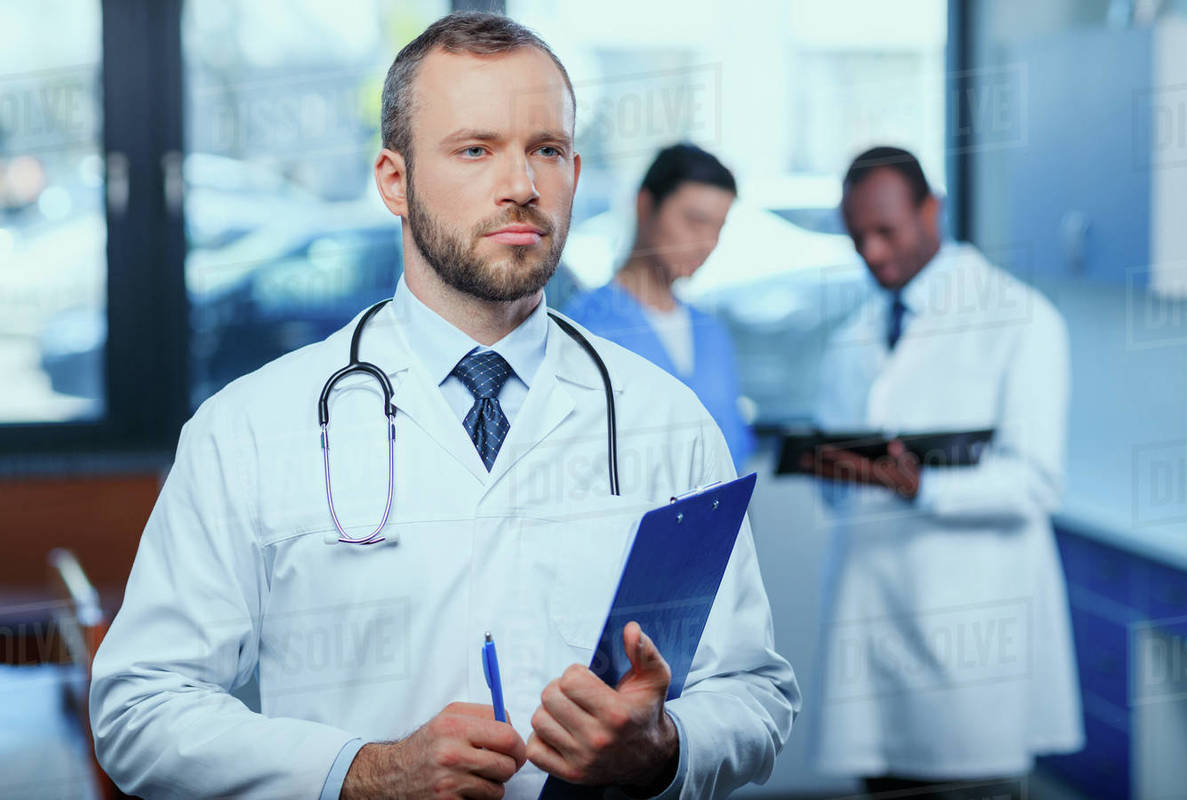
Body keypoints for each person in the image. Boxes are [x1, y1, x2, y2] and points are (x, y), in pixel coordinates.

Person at [89, 12, 799, 800]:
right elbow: (140, 707)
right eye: (475, 149)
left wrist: (666, 749)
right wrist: (364, 773)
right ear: (394, 180)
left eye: (547, 151)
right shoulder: (250, 428)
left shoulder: (666, 419)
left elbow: (756, 692)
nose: (522, 185)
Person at [801, 146, 1082, 798]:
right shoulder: (856, 333)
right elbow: (836, 468)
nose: (871, 252)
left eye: (886, 231)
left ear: (933, 211)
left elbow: (1037, 481)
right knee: (885, 783)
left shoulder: (1021, 319)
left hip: (969, 639)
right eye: (857, 237)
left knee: (968, 782)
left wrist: (922, 486)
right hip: (872, 633)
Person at [564, 144, 755, 471]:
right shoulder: (583, 327)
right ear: (645, 205)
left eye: (718, 227)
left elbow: (733, 451)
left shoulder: (712, 334)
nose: (707, 242)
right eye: (695, 221)